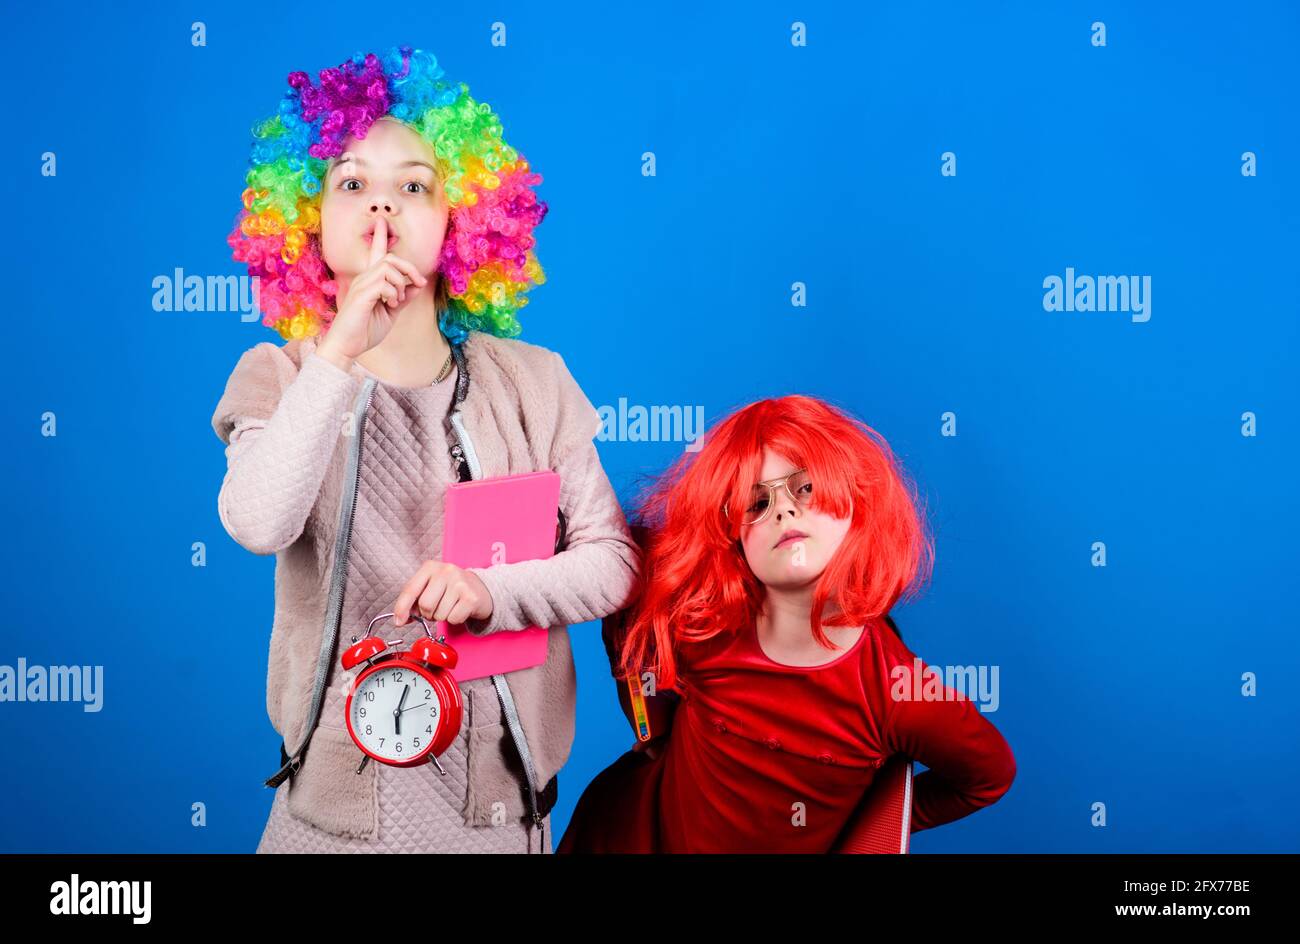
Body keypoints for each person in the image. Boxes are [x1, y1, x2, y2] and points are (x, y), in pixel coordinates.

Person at [211, 46, 640, 853]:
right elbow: (258, 521)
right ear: (306, 218)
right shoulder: (276, 374)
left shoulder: (535, 382)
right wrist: (337, 352)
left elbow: (613, 561)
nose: (382, 208)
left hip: (499, 816)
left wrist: (491, 590)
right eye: (351, 184)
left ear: (462, 218)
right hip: (328, 813)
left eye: (414, 185)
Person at [557, 395, 1016, 853]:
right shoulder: (707, 626)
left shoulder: (899, 693)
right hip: (624, 836)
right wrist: (650, 726)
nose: (782, 511)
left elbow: (987, 776)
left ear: (856, 503)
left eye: (806, 488)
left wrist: (877, 823)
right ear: (733, 538)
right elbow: (631, 608)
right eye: (755, 503)